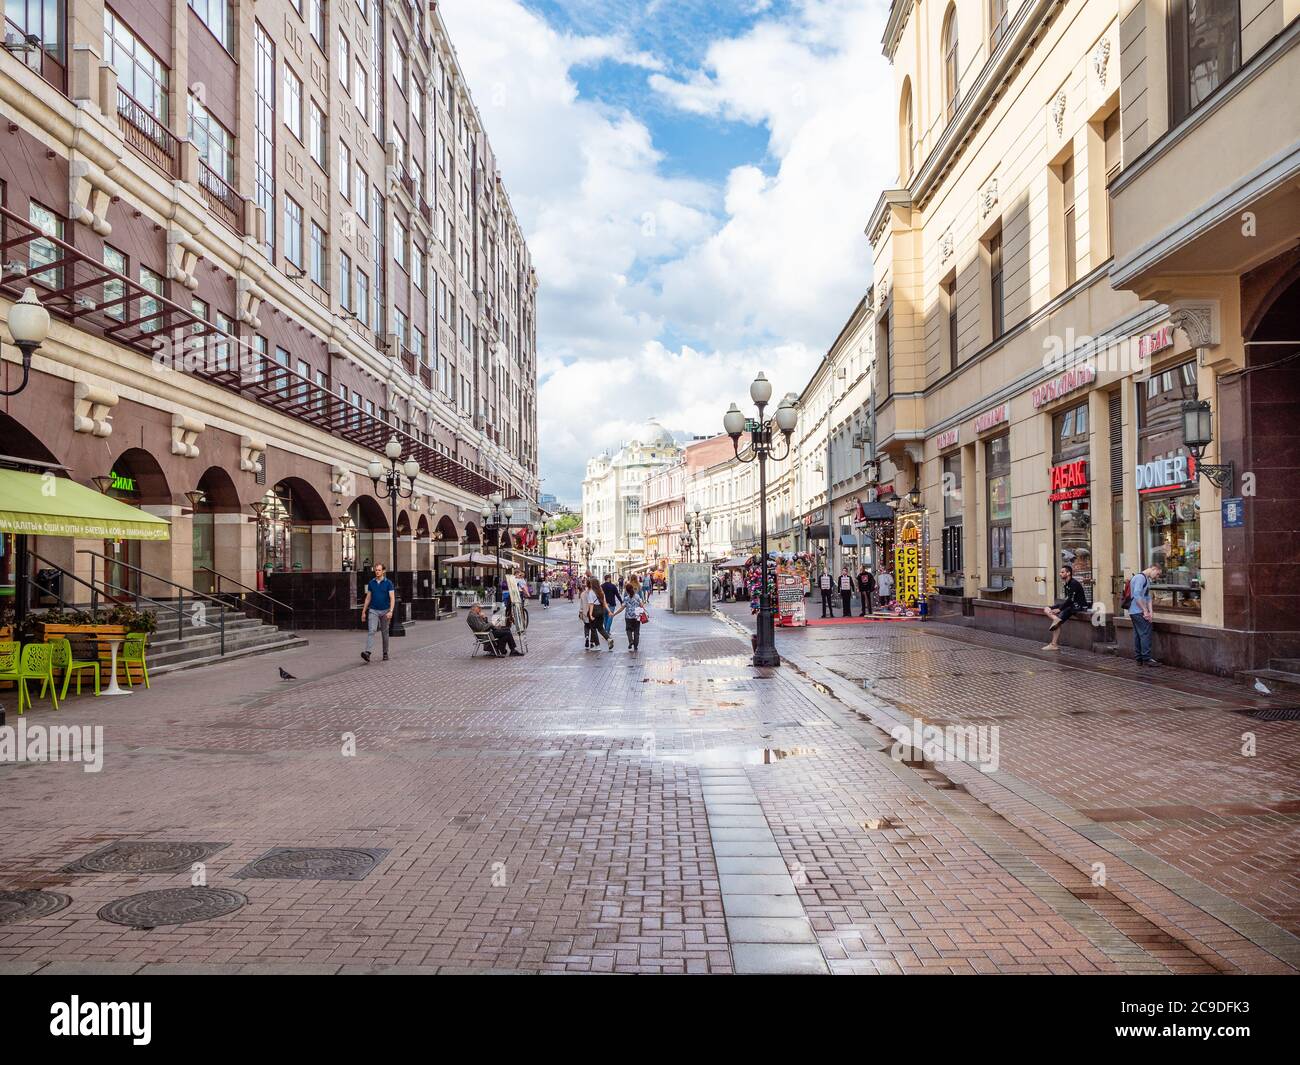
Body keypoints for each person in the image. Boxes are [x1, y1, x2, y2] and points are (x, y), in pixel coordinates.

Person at [1042, 564, 1089, 650]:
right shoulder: (1067, 584)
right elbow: (1068, 600)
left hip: (1077, 607)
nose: (1060, 574)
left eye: (1062, 572)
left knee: (1057, 624)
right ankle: (1055, 620)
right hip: (1070, 605)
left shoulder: (1074, 583)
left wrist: (1060, 609)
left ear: (1068, 573)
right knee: (1047, 608)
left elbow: (1071, 600)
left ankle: (1053, 644)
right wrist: (1057, 607)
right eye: (1060, 572)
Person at [360, 562, 395, 663]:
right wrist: (363, 612)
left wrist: (391, 611)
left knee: (385, 633)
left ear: (383, 571)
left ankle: (385, 653)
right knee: (372, 630)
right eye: (376, 570)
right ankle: (367, 652)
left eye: (379, 570)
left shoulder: (388, 583)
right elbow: (368, 598)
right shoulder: (371, 583)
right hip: (373, 610)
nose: (377, 572)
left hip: (385, 611)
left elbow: (392, 598)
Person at [1129, 563, 1161, 666]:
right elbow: (1137, 595)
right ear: (1154, 569)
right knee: (1145, 634)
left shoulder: (1146, 579)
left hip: (1135, 611)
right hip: (1137, 611)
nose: (1157, 577)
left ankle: (1139, 658)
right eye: (1157, 574)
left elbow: (1147, 597)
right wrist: (1145, 611)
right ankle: (1146, 658)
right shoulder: (1140, 578)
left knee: (1138, 634)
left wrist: (1151, 612)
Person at [612, 578, 646, 651]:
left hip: (628, 617)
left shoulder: (626, 598)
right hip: (637, 616)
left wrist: (614, 614)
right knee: (637, 631)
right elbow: (642, 604)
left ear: (626, 590)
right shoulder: (637, 596)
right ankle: (636, 646)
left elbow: (622, 608)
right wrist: (642, 609)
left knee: (628, 630)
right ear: (633, 589)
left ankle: (630, 641)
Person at [582, 575, 613, 650]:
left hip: (594, 610)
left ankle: (597, 645)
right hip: (601, 610)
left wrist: (590, 614)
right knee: (600, 628)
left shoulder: (591, 592)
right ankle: (608, 639)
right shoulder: (601, 592)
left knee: (593, 628)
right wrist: (609, 611)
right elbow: (605, 603)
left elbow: (591, 604)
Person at [601, 573, 622, 640]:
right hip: (612, 604)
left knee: (605, 617)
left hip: (604, 604)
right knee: (610, 617)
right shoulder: (613, 586)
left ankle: (606, 631)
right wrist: (621, 601)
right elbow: (617, 594)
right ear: (609, 578)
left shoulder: (601, 586)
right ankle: (607, 631)